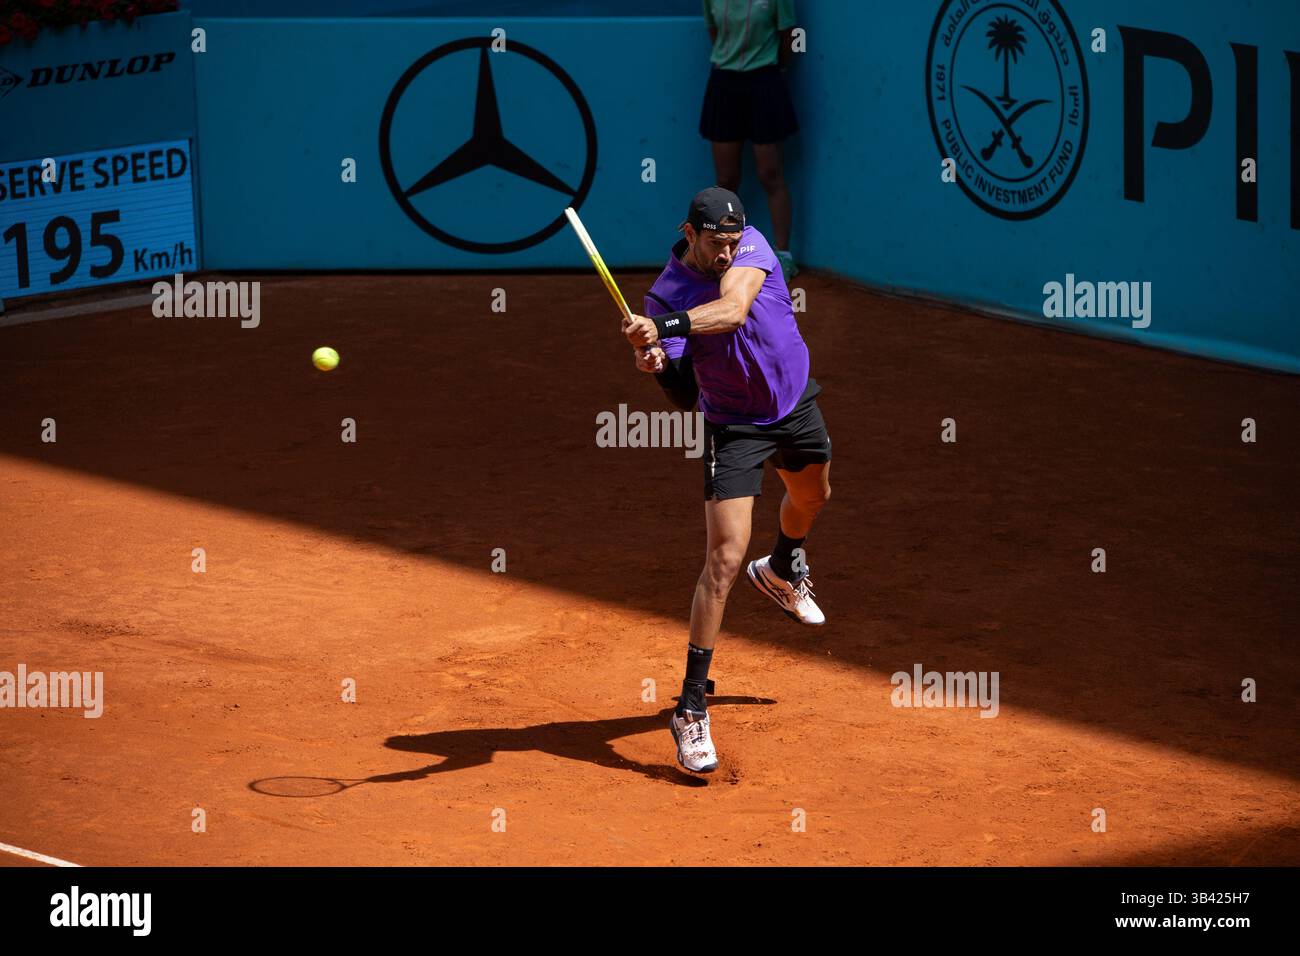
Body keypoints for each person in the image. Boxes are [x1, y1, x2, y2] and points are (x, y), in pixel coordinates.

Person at [623, 186, 831, 774]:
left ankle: (786, 563)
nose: (727, 253)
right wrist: (658, 361)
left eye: (734, 242)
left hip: (794, 405)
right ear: (688, 233)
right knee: (724, 558)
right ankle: (691, 707)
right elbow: (683, 391)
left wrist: (663, 325)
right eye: (716, 243)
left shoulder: (748, 248)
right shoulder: (665, 291)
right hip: (734, 424)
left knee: (813, 497)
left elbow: (734, 308)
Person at [698, 0, 800, 282]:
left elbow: (789, 38)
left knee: (770, 173)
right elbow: (715, 33)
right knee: (726, 179)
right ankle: (722, 253)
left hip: (765, 81)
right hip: (724, 83)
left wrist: (768, 74)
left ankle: (783, 255)